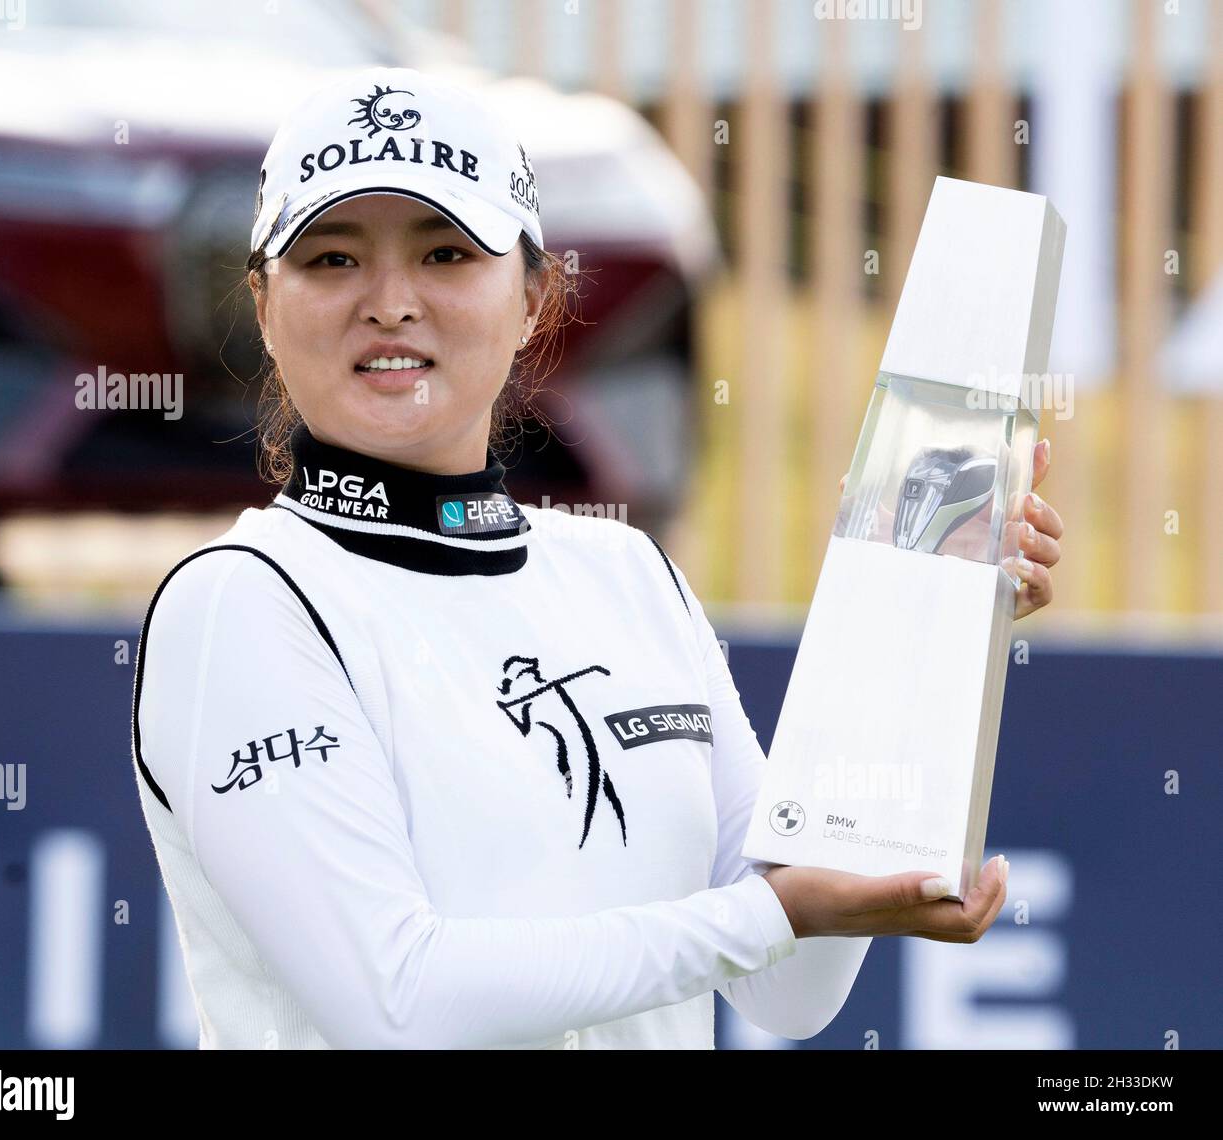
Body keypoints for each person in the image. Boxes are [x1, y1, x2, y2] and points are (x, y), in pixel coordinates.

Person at [130, 66, 1065, 1050]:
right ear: (264, 307)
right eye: (330, 259)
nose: (390, 302)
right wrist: (768, 917)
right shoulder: (237, 604)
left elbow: (791, 992)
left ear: (535, 294)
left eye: (446, 253)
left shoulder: (622, 571)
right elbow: (397, 1005)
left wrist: (923, 627)